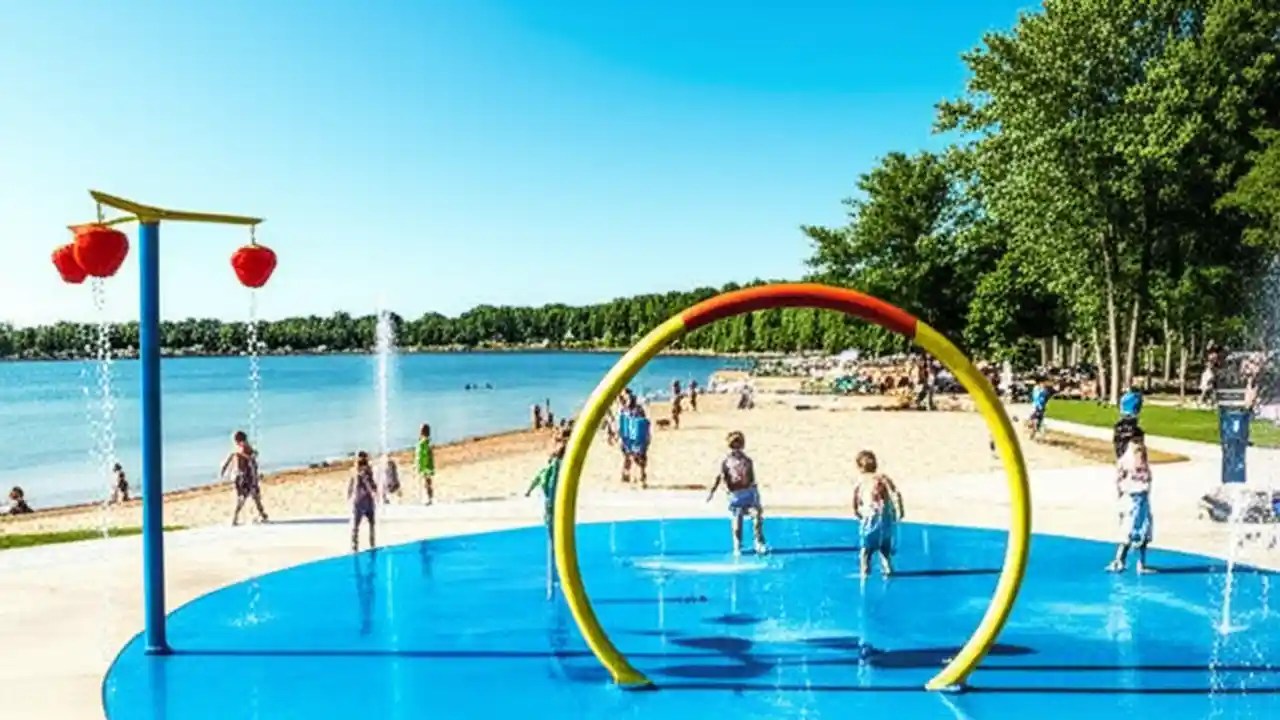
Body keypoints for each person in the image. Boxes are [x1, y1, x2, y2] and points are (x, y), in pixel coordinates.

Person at [706, 431, 768, 555]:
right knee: (739, 520)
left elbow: (751, 478)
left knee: (755, 517)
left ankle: (757, 542)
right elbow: (720, 477)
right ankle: (739, 544)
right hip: (737, 494)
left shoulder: (745, 461)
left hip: (747, 493)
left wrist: (755, 494)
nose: (737, 447)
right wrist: (714, 491)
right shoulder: (729, 462)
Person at [1108, 429, 1155, 574]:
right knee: (1129, 528)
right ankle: (1119, 560)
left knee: (1144, 529)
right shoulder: (1127, 459)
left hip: (1142, 497)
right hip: (1131, 497)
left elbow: (1147, 477)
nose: (1140, 444)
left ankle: (1141, 564)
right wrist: (1121, 494)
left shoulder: (1142, 457)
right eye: (1137, 441)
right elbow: (1119, 478)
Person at [852, 451, 905, 577]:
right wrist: (899, 510)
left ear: (859, 467)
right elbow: (896, 494)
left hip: (869, 517)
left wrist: (856, 511)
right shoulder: (883, 478)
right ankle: (888, 568)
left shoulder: (861, 481)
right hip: (885, 518)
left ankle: (865, 569)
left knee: (866, 549)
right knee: (884, 547)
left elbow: (855, 498)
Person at [526, 428, 569, 540]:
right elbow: (540, 477)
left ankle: (553, 537)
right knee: (552, 517)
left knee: (551, 517)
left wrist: (530, 490)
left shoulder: (555, 466)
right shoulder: (554, 466)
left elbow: (540, 477)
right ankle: (554, 536)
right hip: (551, 494)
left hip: (551, 495)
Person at [221, 430, 268, 526]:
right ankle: (236, 517)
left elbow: (244, 456)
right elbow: (248, 457)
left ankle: (262, 514)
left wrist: (224, 469)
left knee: (253, 496)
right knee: (246, 496)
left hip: (243, 475)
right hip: (245, 476)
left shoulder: (240, 447)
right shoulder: (241, 448)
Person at [348, 451, 378, 552]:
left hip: (357, 500)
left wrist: (349, 495)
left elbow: (351, 484)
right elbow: (368, 482)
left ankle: (354, 545)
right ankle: (372, 543)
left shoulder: (353, 470)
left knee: (356, 525)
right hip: (367, 499)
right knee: (371, 523)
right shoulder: (367, 470)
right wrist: (374, 491)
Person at [620, 396, 650, 487]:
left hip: (636, 438)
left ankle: (640, 477)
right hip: (631, 438)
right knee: (629, 457)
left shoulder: (636, 410)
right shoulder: (625, 410)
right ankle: (627, 475)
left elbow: (643, 424)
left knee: (638, 458)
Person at [416, 423, 436, 505]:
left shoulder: (424, 442)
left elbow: (425, 455)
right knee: (426, 483)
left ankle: (429, 498)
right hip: (424, 465)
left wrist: (424, 467)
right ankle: (428, 498)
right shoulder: (423, 441)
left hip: (426, 466)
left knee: (427, 483)